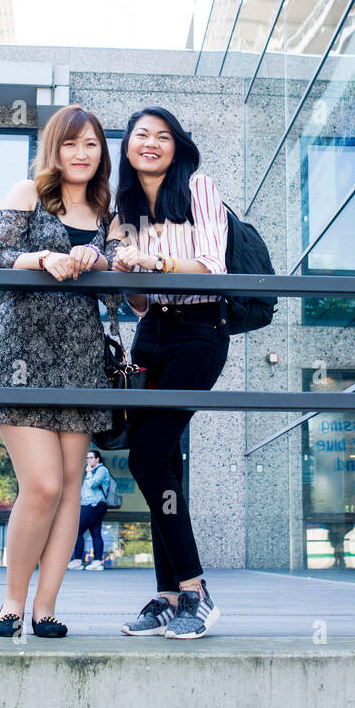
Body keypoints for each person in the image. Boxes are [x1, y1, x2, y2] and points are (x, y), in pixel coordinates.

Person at [0, 104, 121, 638]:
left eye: (92, 145)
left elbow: (126, 273)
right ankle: (12, 600)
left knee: (72, 486)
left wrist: (100, 259)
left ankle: (46, 606)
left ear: (102, 153)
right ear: (54, 149)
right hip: (23, 355)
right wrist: (41, 258)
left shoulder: (108, 213)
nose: (81, 154)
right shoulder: (27, 194)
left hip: (80, 358)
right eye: (71, 144)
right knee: (42, 484)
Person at [108, 107, 230, 639]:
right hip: (151, 332)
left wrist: (152, 261)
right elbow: (137, 300)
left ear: (177, 146)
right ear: (128, 147)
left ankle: (196, 591)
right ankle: (167, 595)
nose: (151, 143)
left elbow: (213, 266)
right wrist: (126, 270)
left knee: (147, 454)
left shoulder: (198, 188)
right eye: (141, 135)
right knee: (162, 464)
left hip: (200, 330)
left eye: (162, 136)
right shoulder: (127, 209)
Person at [68, 449, 112, 570]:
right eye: (87, 458)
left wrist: (88, 473)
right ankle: (97, 562)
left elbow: (92, 484)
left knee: (77, 530)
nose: (88, 460)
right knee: (95, 533)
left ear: (98, 459)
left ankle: (77, 561)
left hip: (94, 504)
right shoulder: (94, 470)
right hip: (92, 504)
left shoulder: (101, 470)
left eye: (91, 458)